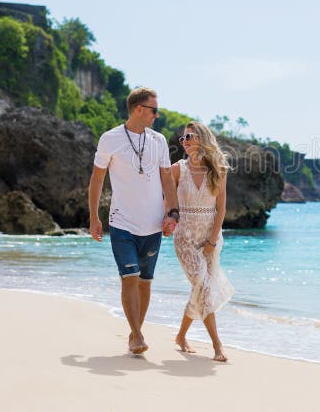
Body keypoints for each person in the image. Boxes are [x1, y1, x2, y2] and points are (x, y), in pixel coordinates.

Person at [88, 87, 179, 354]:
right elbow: (97, 179)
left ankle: (134, 331)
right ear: (139, 109)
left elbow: (167, 179)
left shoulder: (159, 141)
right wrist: (93, 217)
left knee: (145, 282)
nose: (157, 115)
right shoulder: (110, 139)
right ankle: (138, 335)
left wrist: (173, 213)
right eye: (154, 110)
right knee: (130, 277)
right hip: (122, 222)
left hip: (152, 224)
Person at [170, 121, 235, 362]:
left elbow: (221, 209)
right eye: (183, 138)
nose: (185, 142)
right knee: (203, 285)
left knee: (200, 288)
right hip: (185, 238)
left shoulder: (218, 169)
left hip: (210, 238)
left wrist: (212, 240)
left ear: (202, 138)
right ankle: (217, 346)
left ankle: (180, 336)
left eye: (189, 136)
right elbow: (165, 200)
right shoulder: (177, 170)